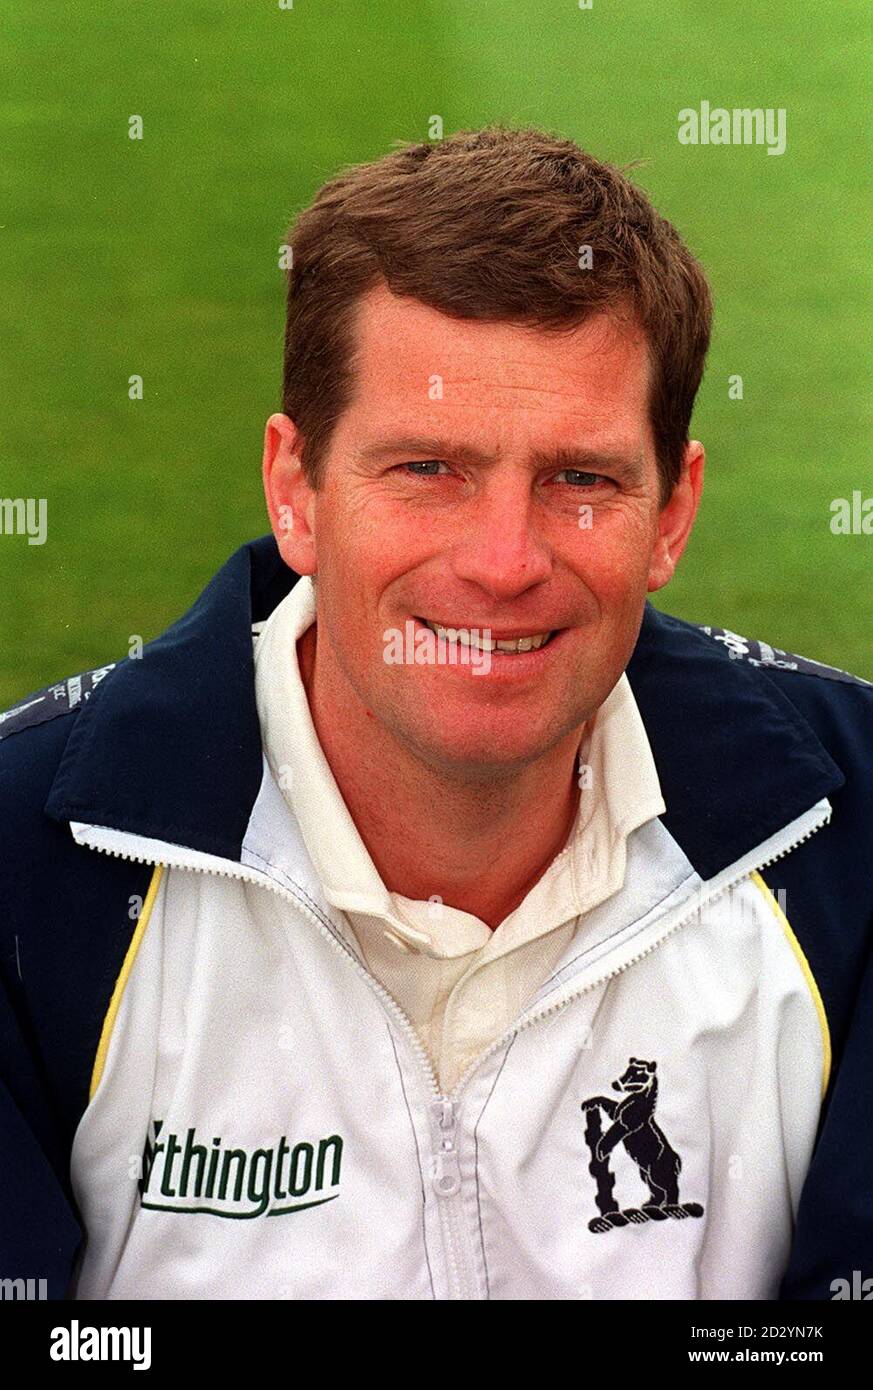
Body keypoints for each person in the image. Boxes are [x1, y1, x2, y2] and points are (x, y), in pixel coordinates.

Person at [1, 126, 870, 1301]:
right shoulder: (20, 862)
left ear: (673, 512)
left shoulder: (853, 838)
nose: (504, 563)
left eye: (580, 480)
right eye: (427, 470)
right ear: (294, 489)